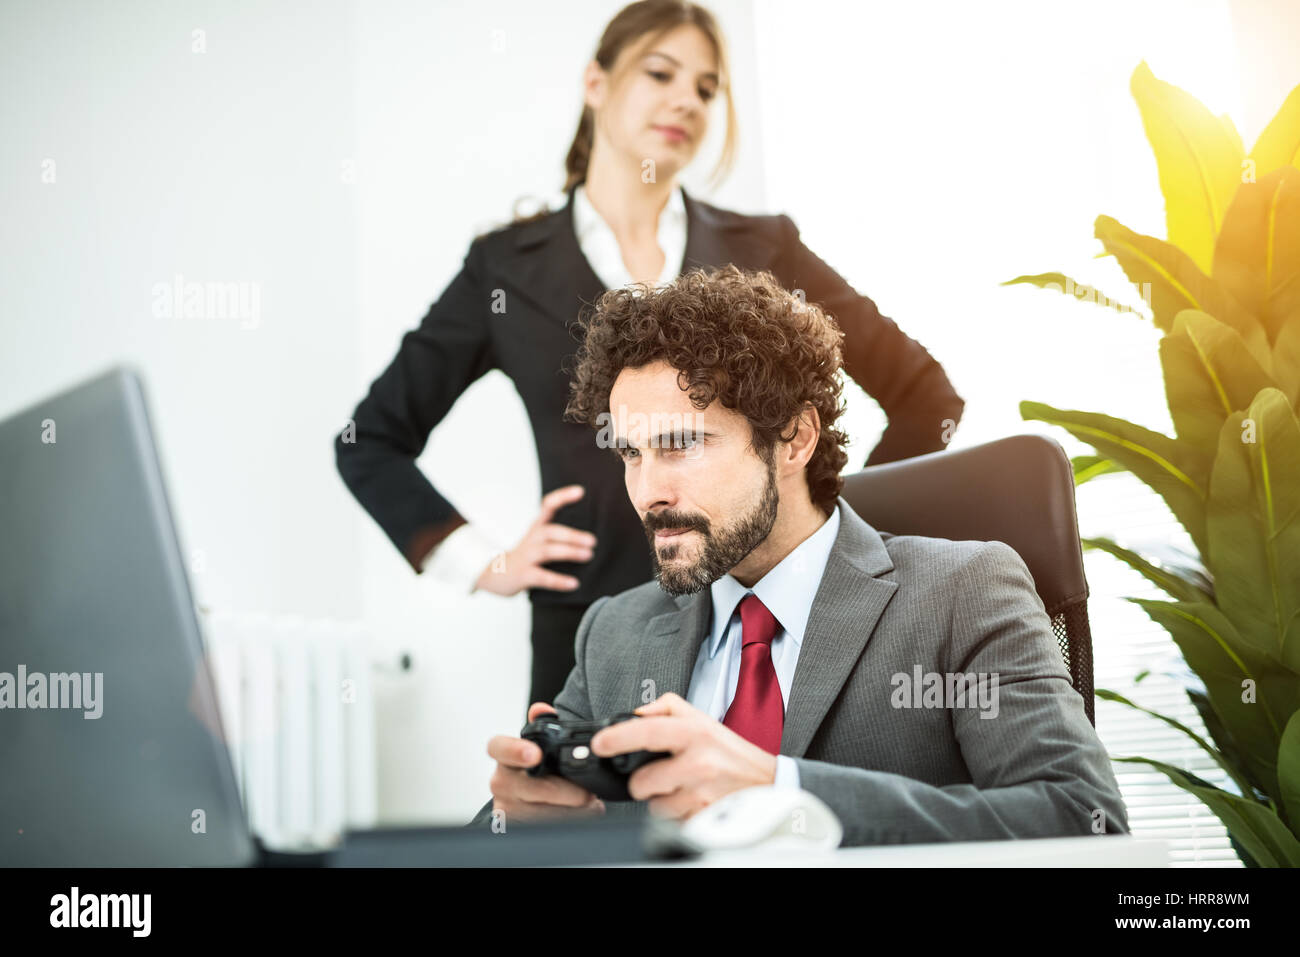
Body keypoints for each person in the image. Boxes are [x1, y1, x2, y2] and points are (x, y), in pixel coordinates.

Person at [334, 0, 965, 708]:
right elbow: (370, 441)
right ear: (596, 83)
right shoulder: (506, 268)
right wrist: (484, 560)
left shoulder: (764, 250)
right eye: (661, 72)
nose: (685, 101)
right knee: (570, 815)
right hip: (590, 638)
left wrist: (826, 540)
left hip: (763, 626)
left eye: (705, 87)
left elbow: (926, 398)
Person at [471, 266, 1128, 846]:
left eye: (680, 445)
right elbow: (496, 837)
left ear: (794, 437)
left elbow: (1080, 814)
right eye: (631, 454)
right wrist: (530, 824)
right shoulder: (613, 633)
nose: (647, 491)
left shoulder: (962, 593)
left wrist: (779, 787)